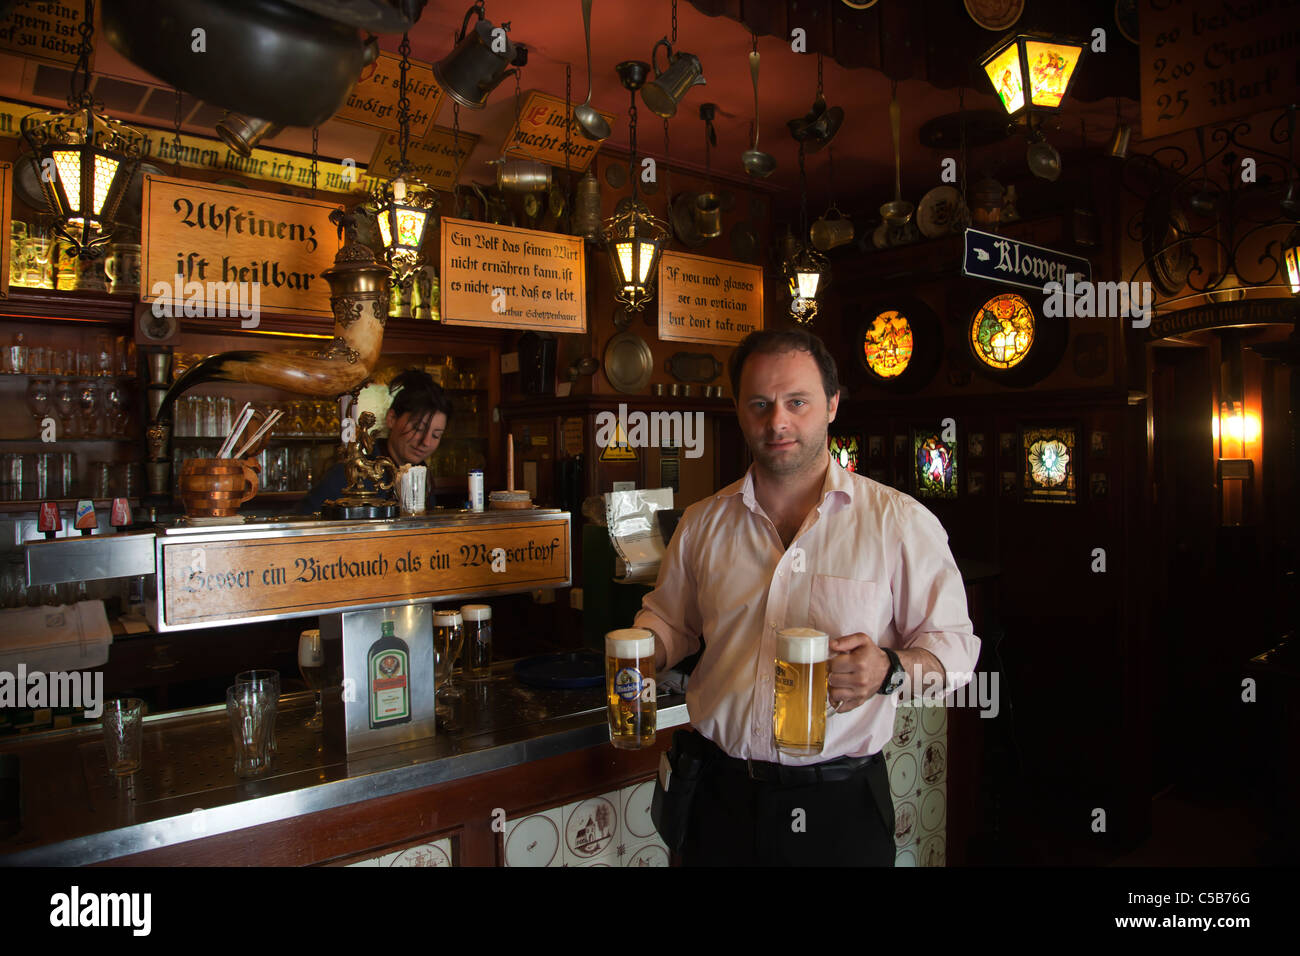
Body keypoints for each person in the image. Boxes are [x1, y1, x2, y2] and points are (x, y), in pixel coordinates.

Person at [633, 328, 980, 866]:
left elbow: (955, 655)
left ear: (832, 405)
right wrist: (645, 650)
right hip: (718, 797)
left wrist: (889, 668)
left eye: (797, 402)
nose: (778, 422)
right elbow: (671, 622)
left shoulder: (898, 522)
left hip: (839, 807)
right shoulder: (702, 523)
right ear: (739, 410)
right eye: (760, 404)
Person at [299, 368, 451, 514]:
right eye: (418, 428)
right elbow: (302, 523)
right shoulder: (354, 473)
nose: (426, 442)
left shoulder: (422, 478)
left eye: (436, 435)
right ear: (392, 418)